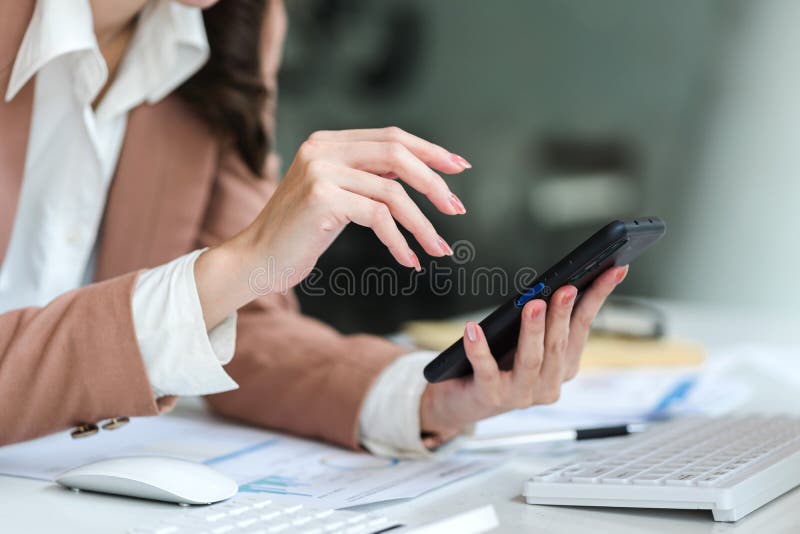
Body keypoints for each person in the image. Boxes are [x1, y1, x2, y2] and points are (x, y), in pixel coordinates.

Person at [0, 0, 627, 454]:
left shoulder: (236, 21)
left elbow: (240, 330)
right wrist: (236, 264)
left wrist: (429, 396)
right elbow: (217, 289)